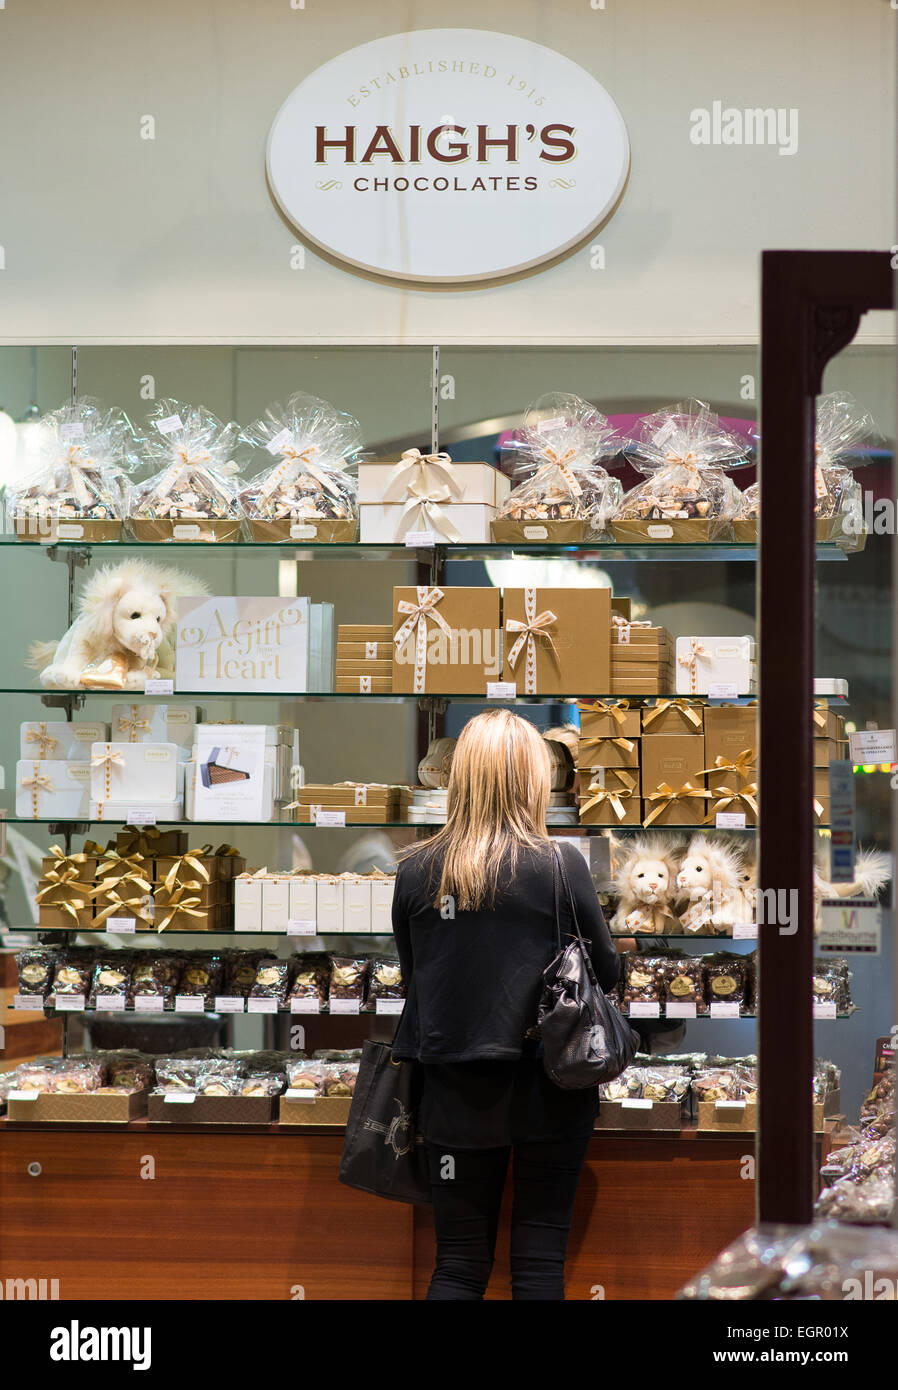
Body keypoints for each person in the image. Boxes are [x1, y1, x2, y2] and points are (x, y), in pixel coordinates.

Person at [391, 708, 623, 1301]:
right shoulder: (560, 863)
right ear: (532, 780)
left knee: (459, 1266)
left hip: (453, 1091)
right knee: (540, 1267)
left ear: (461, 776)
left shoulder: (417, 870)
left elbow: (416, 977)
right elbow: (608, 973)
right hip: (551, 1086)